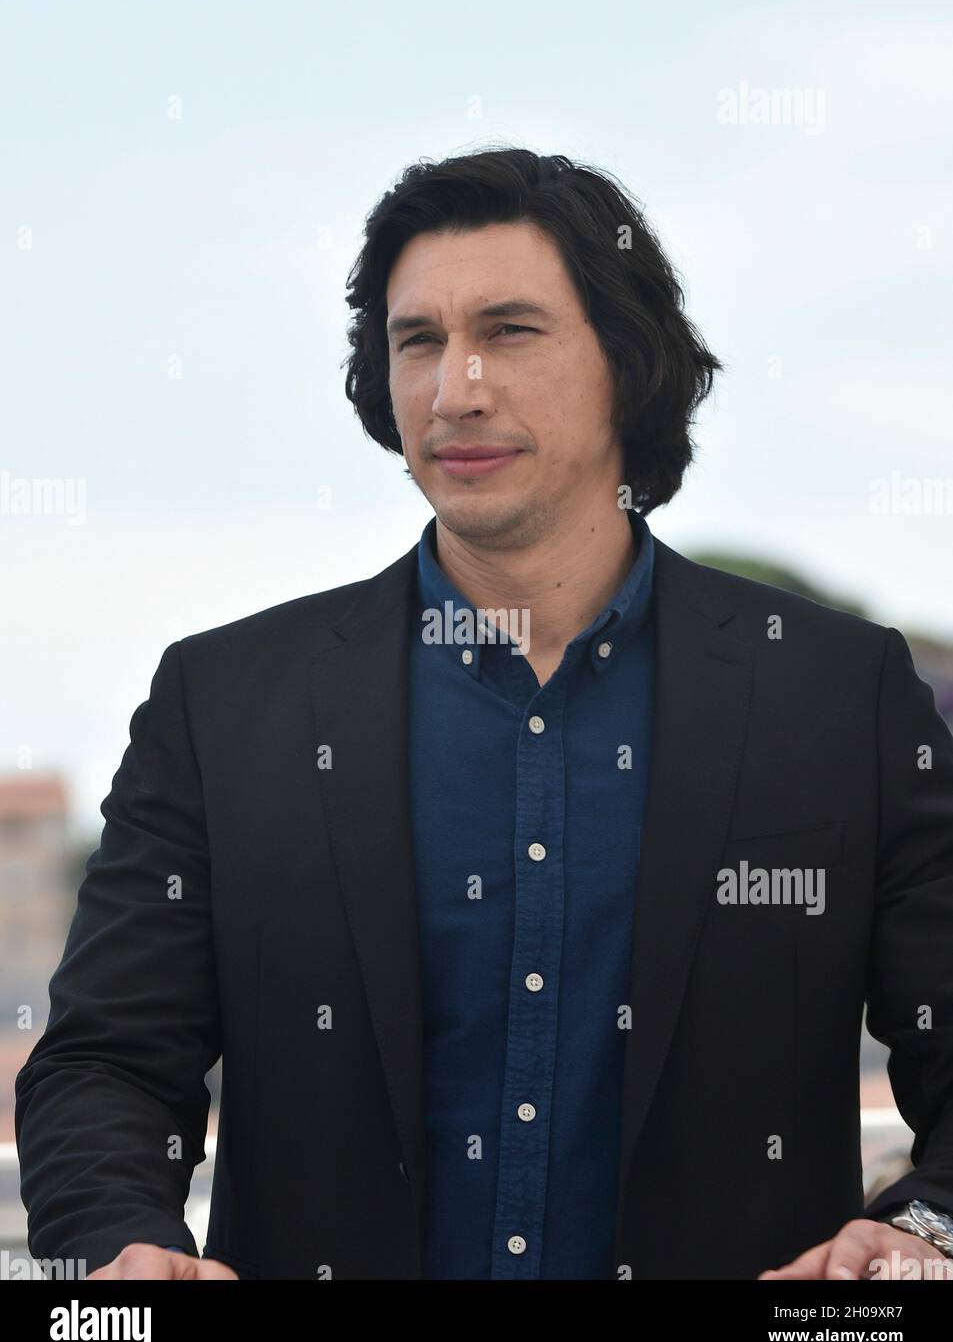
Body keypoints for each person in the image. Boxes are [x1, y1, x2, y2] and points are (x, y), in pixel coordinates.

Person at [16, 148, 953, 1281]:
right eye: (417, 340)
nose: (454, 387)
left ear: (626, 362)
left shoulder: (834, 692)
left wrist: (918, 1231)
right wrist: (126, 1247)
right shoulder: (222, 703)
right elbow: (106, 1063)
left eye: (509, 330)